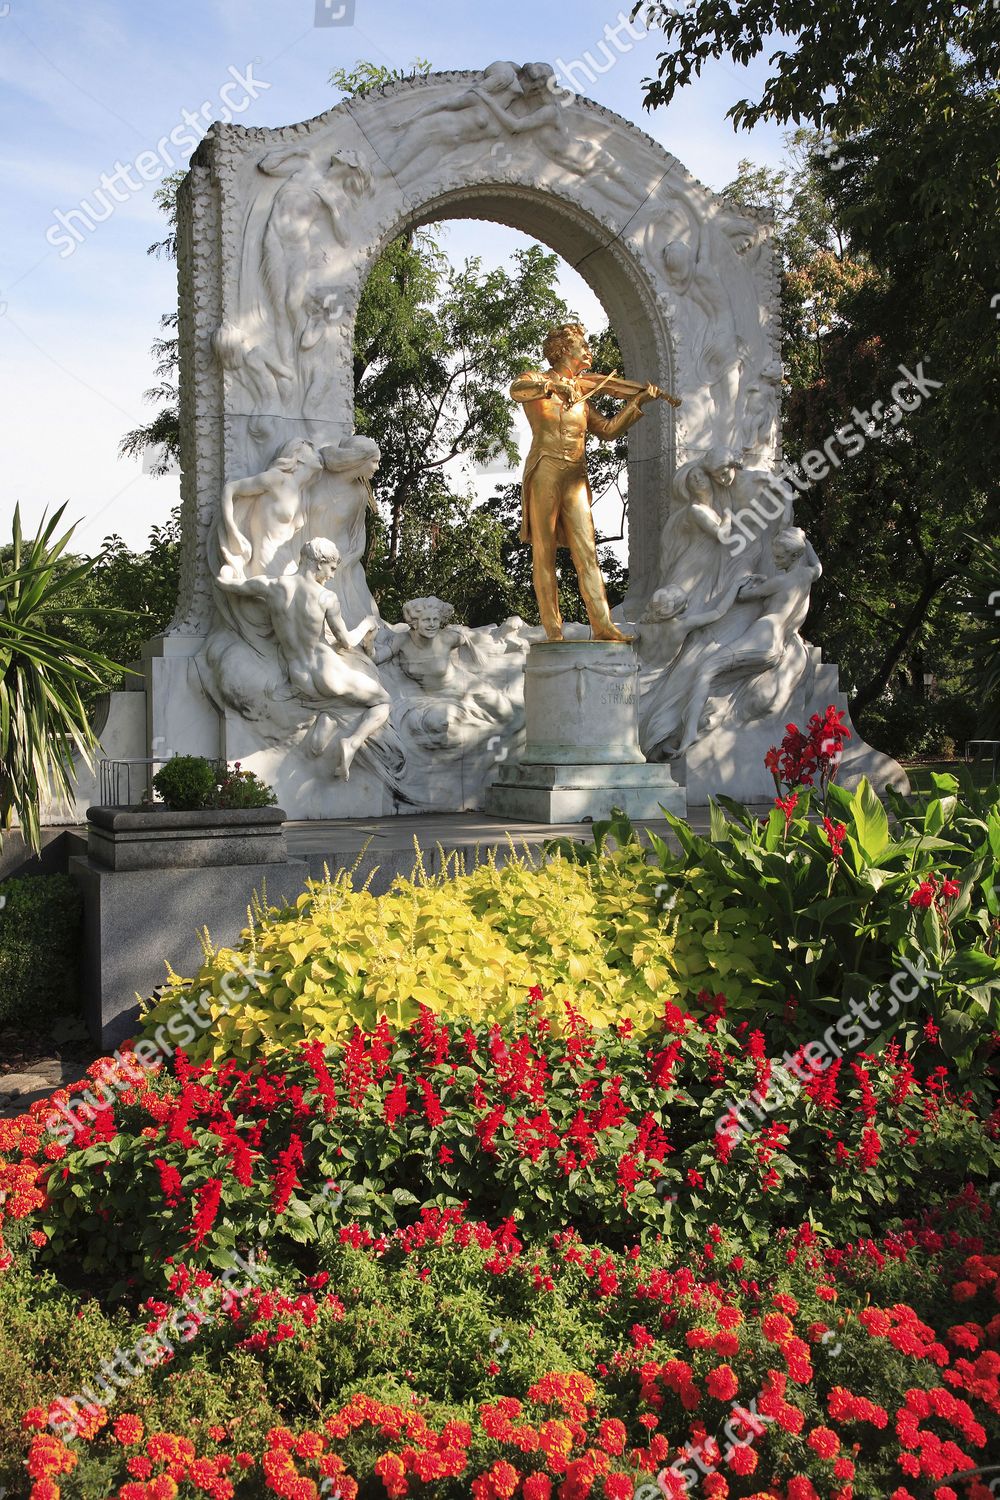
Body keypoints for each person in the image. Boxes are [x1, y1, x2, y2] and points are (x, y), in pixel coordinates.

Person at [510, 322, 658, 642]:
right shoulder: (536, 380)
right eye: (583, 346)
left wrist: (637, 403)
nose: (588, 351)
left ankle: (603, 625)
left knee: (586, 552)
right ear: (564, 350)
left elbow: (607, 430)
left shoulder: (583, 397)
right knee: (544, 553)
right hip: (545, 468)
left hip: (575, 475)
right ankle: (553, 630)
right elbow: (516, 390)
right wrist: (552, 388)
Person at [216, 538, 389, 779]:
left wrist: (229, 566)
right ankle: (352, 742)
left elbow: (228, 584)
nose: (331, 575)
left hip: (298, 677)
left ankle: (321, 734)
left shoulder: (272, 586)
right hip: (327, 673)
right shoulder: (326, 598)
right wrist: (369, 623)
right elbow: (347, 641)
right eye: (331, 568)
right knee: (382, 701)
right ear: (318, 563)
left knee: (334, 703)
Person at [676, 527, 821, 753]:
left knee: (706, 669)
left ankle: (690, 733)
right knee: (718, 677)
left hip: (762, 635)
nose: (775, 560)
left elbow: (744, 596)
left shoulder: (780, 582)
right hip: (777, 647)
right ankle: (712, 716)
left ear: (794, 556)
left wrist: (744, 582)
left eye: (780, 556)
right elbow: (818, 566)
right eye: (774, 555)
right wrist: (805, 539)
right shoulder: (807, 576)